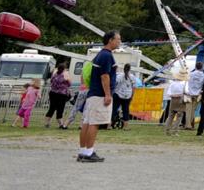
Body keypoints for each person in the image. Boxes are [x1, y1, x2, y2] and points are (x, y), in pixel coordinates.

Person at [78, 29, 120, 163]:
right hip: (100, 95)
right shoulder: (107, 56)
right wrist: (108, 94)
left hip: (93, 93)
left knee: (87, 122)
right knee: (94, 123)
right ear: (110, 40)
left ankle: (83, 151)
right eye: (118, 39)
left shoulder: (99, 55)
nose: (119, 42)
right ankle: (89, 153)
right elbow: (105, 76)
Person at [45, 63, 72, 129]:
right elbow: (69, 84)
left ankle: (47, 123)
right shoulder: (65, 74)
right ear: (64, 69)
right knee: (60, 108)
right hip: (62, 94)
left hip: (53, 93)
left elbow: (51, 81)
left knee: (52, 108)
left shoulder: (54, 75)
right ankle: (60, 123)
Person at [112, 63, 138, 129]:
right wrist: (132, 96)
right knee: (126, 111)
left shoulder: (119, 76)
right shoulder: (133, 77)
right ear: (130, 69)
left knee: (113, 110)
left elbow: (114, 84)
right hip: (127, 96)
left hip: (118, 94)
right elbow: (134, 87)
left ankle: (109, 125)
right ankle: (126, 126)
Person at [186, 61, 204, 130]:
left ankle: (187, 124)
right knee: (193, 111)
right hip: (197, 94)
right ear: (202, 67)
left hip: (189, 93)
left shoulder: (191, 74)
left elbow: (188, 82)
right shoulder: (203, 75)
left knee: (188, 110)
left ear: (195, 67)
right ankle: (190, 124)